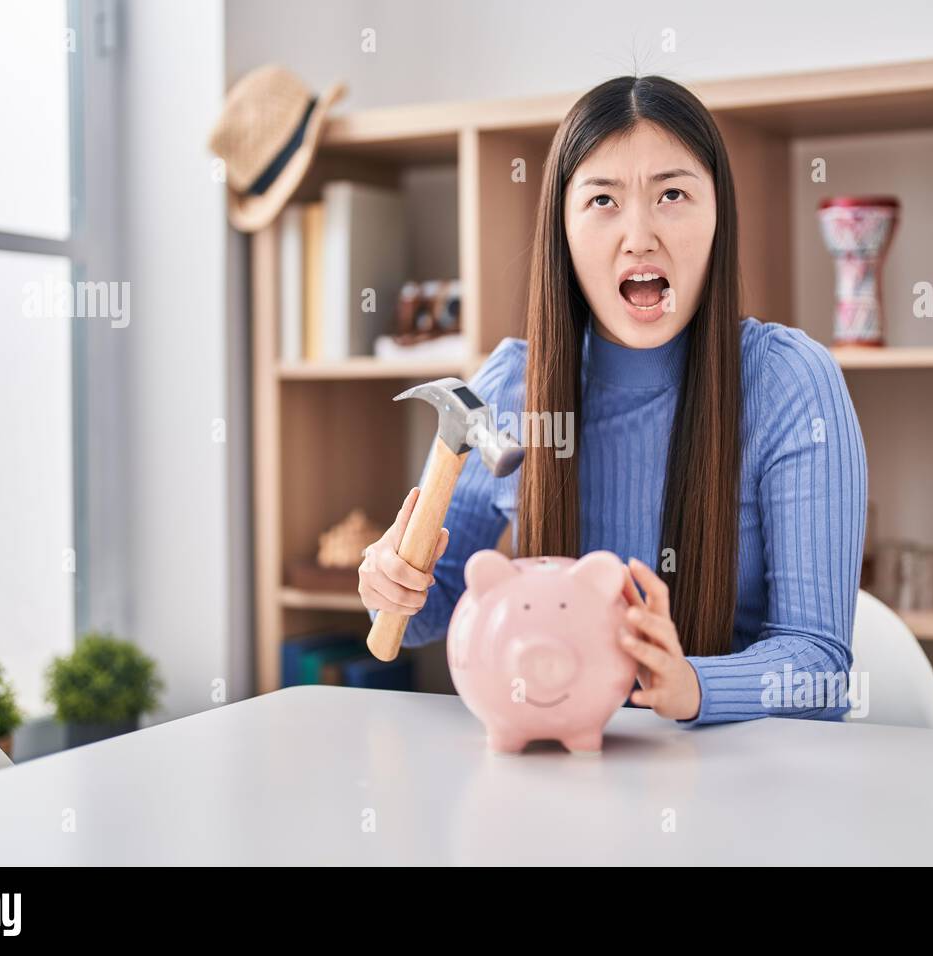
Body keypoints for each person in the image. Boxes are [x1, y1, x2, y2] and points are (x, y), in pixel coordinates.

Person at [359, 74, 867, 726]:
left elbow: (820, 667)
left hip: (748, 781)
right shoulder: (508, 389)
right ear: (562, 230)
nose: (639, 235)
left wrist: (692, 686)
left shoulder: (791, 384)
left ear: (720, 216)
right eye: (603, 200)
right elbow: (429, 611)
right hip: (567, 768)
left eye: (673, 195)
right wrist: (389, 583)